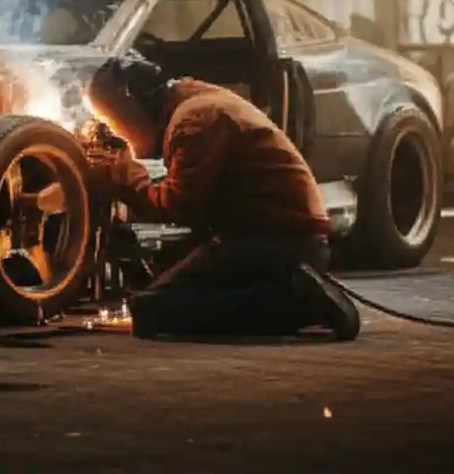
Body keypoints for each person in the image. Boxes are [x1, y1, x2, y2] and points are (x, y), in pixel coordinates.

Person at [86, 52, 360, 341]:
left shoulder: (195, 121)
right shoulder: (195, 99)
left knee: (152, 311)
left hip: (277, 243)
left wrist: (125, 173)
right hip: (269, 235)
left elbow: (180, 206)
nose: (114, 132)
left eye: (112, 120)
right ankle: (285, 289)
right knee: (164, 285)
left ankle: (300, 301)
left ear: (132, 106)